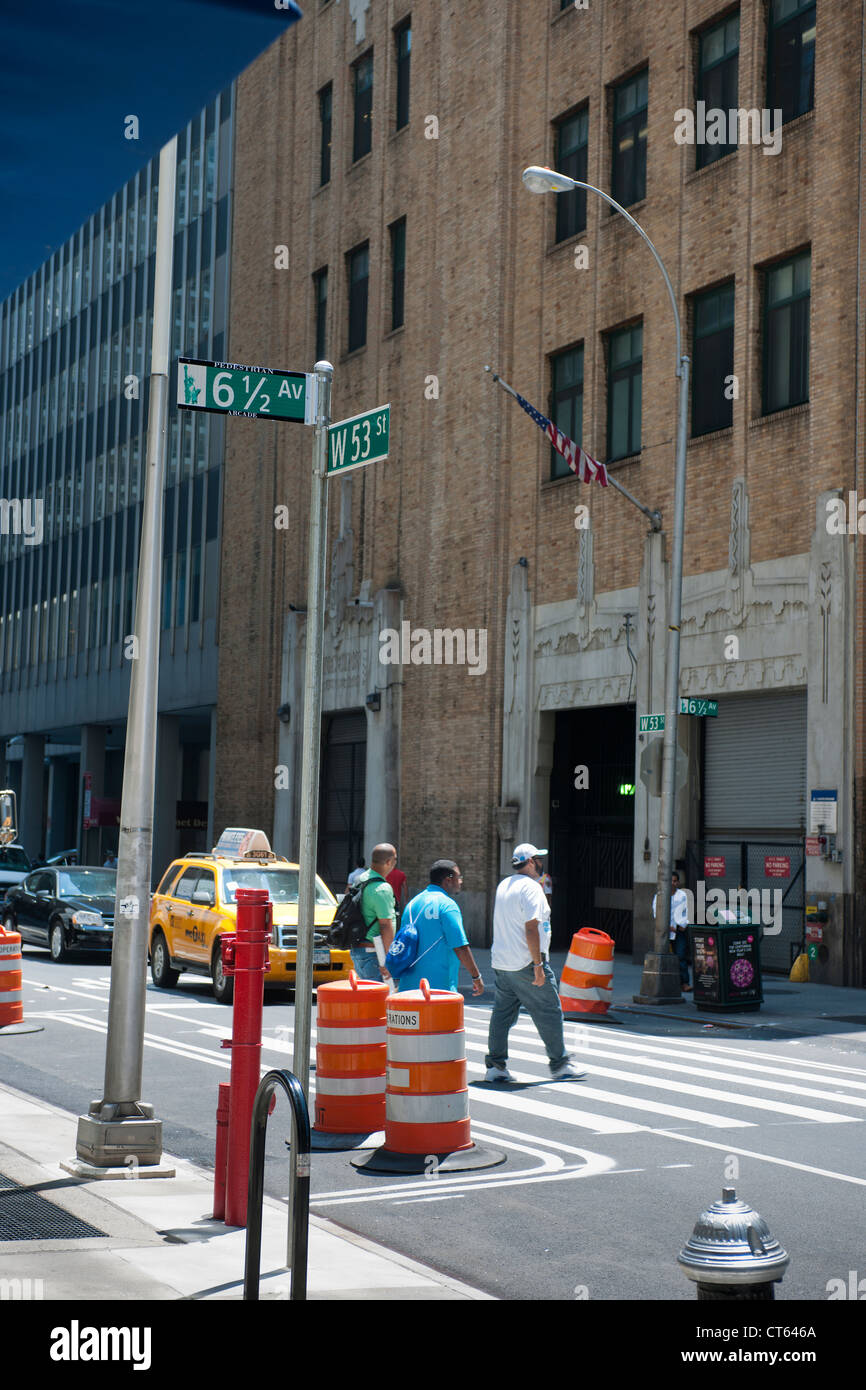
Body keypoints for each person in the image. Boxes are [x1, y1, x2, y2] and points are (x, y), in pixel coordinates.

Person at [485, 843, 584, 1083]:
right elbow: (531, 928)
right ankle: (560, 1064)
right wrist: (538, 966)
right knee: (549, 1011)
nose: (541, 863)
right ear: (530, 862)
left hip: (502, 962)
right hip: (526, 962)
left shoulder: (504, 885)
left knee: (502, 1014)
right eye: (538, 859)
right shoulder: (531, 889)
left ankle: (495, 1066)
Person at [395, 859, 484, 996]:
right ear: (448, 880)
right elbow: (460, 946)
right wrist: (476, 977)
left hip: (408, 987)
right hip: (438, 989)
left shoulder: (412, 904)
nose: (460, 881)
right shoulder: (447, 905)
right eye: (458, 877)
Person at [349, 843, 397, 982]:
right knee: (379, 1001)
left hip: (359, 950)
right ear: (389, 862)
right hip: (374, 953)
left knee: (368, 999)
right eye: (395, 860)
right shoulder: (382, 888)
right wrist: (389, 960)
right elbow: (385, 925)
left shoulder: (361, 879)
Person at [652, 869, 691, 991]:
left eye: (675, 881)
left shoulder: (683, 896)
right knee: (664, 957)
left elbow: (688, 912)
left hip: (679, 932)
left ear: (678, 883)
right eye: (671, 881)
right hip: (665, 932)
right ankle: (667, 984)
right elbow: (656, 913)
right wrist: (667, 926)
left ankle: (684, 983)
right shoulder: (659, 896)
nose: (673, 883)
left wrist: (682, 925)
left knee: (680, 956)